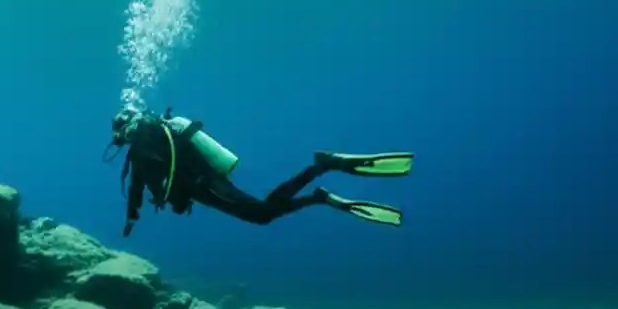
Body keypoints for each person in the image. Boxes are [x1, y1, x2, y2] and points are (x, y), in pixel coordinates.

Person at [104, 106, 413, 237]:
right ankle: (319, 188)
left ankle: (323, 168)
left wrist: (132, 217)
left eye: (121, 133)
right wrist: (132, 216)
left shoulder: (145, 142)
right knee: (261, 216)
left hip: (208, 185)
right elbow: (138, 186)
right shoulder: (150, 141)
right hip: (208, 186)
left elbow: (137, 185)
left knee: (261, 213)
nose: (122, 139)